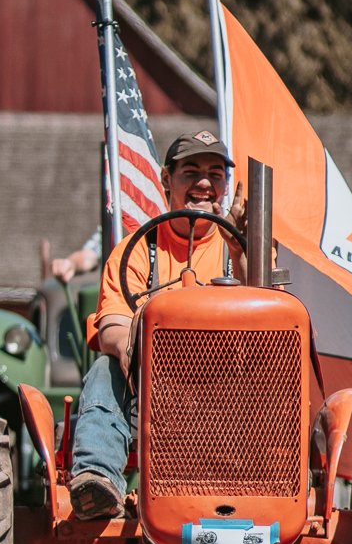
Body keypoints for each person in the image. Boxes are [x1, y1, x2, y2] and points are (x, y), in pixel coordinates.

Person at [69, 130, 246, 520]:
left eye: (216, 174)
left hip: (233, 406)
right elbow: (112, 324)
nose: (204, 183)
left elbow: (272, 311)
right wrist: (131, 344)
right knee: (104, 368)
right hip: (151, 398)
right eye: (191, 172)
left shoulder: (242, 250)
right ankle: (97, 477)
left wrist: (239, 248)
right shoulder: (138, 249)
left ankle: (277, 480)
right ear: (167, 180)